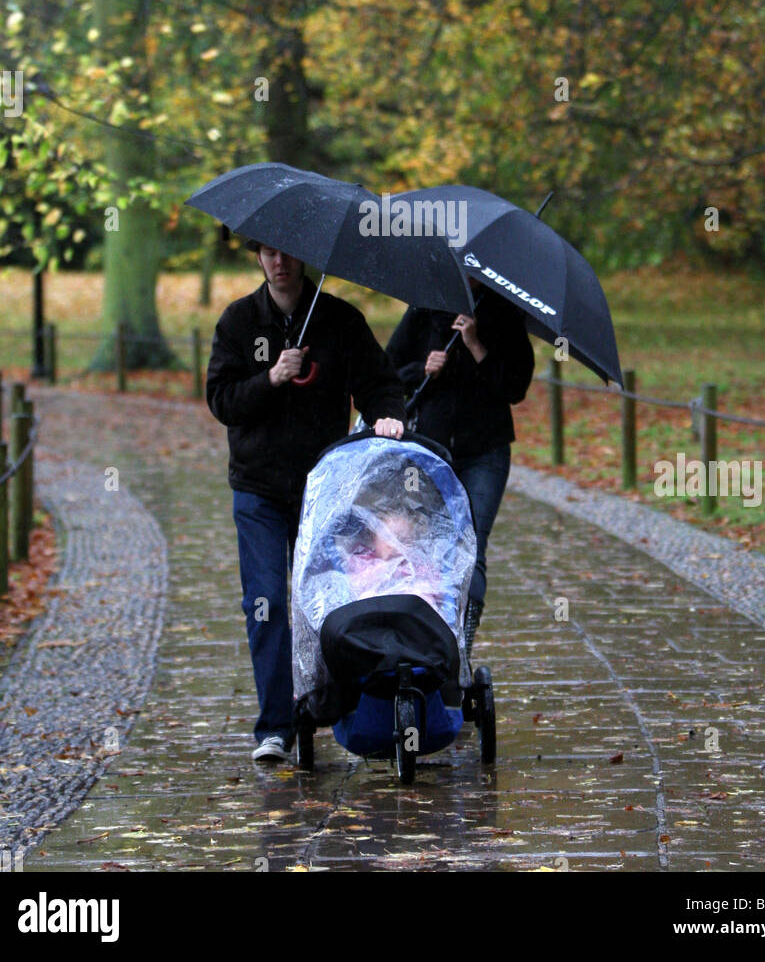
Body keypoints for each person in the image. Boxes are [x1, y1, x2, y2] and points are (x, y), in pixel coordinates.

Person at [206, 243, 407, 763]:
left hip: (324, 489)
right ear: (257, 257)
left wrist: (386, 417)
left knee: (331, 603)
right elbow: (222, 402)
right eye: (269, 252)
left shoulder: (339, 320)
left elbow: (380, 385)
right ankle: (276, 726)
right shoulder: (238, 322)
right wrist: (271, 377)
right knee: (266, 603)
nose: (280, 262)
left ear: (305, 258)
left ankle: (335, 708)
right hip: (258, 488)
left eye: (290, 253)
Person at [385, 287, 534, 659]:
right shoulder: (425, 305)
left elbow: (515, 387)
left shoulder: (504, 314)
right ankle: (427, 638)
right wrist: (423, 368)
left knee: (471, 545)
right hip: (431, 452)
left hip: (485, 451)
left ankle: (462, 643)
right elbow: (388, 369)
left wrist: (475, 345)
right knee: (425, 545)